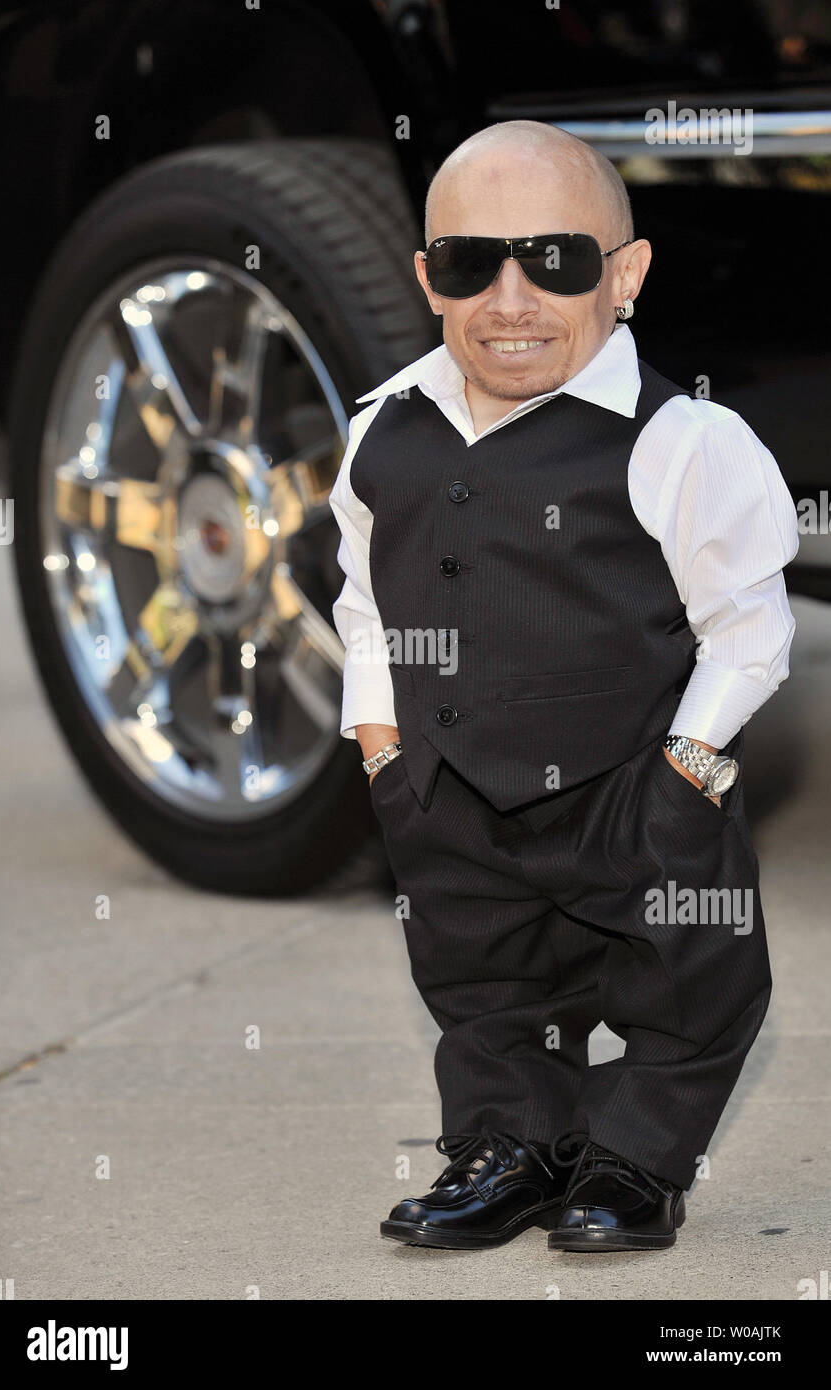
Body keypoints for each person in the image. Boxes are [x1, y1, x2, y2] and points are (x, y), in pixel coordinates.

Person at [328, 120, 799, 1252]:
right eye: (468, 262)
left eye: (554, 259)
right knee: (480, 980)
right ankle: (510, 1146)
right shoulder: (378, 433)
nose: (510, 296)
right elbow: (362, 600)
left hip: (630, 776)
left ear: (623, 274)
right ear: (426, 279)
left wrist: (688, 766)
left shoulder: (679, 439)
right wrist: (380, 740)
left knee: (680, 973)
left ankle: (636, 1158)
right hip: (445, 779)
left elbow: (747, 622)